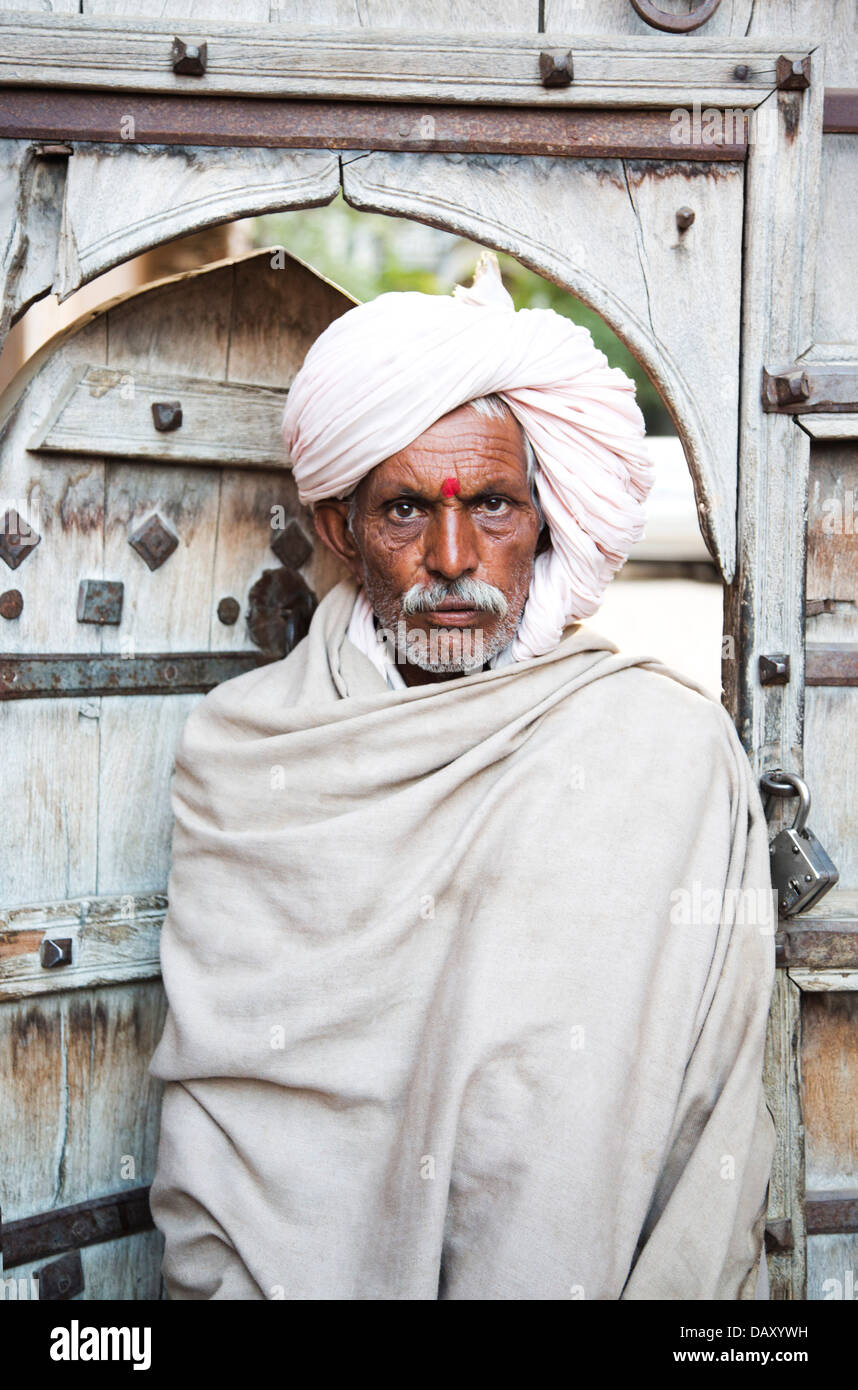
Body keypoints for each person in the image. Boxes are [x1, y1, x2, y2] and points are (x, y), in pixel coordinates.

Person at [148, 252, 776, 1300]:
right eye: (405, 511)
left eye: (491, 506)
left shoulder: (661, 753)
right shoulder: (245, 754)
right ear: (341, 529)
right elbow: (224, 1128)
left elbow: (709, 1121)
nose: (451, 556)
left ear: (545, 524)